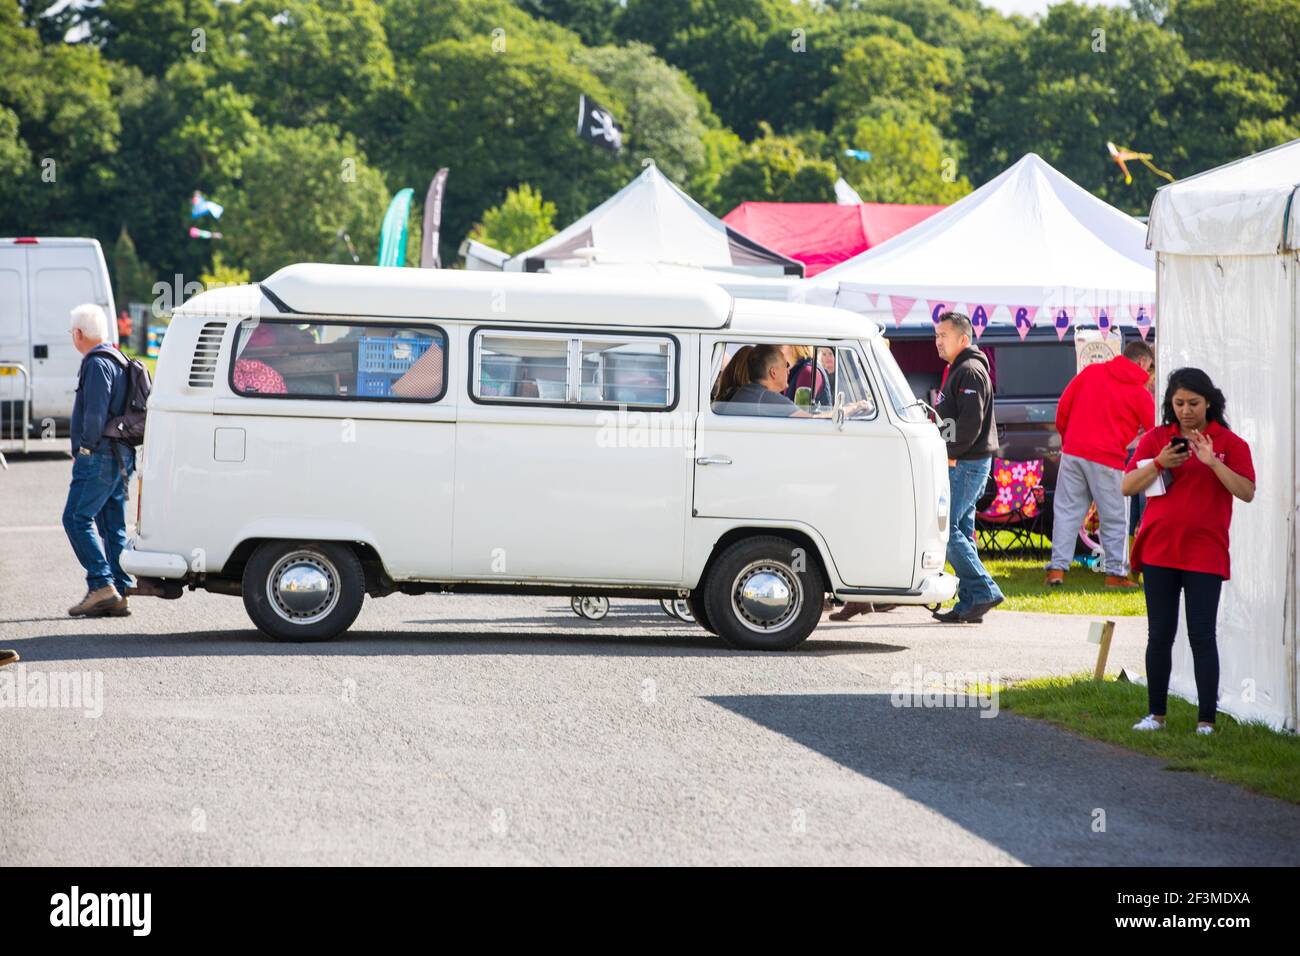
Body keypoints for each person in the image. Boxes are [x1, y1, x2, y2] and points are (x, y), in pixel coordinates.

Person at [1121, 368, 1254, 736]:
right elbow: (1127, 486)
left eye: (1193, 403)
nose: (1185, 410)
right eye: (1178, 403)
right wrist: (1161, 463)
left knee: (1201, 636)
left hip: (1204, 553)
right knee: (1159, 634)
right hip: (1159, 551)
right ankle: (1156, 715)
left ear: (1209, 401)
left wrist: (1213, 463)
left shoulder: (1230, 443)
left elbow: (1246, 491)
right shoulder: (1156, 440)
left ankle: (1206, 721)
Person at [1046, 341, 1155, 588]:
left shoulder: (1091, 372)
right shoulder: (1140, 393)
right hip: (1108, 459)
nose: (1148, 375)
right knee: (1115, 517)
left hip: (1073, 451)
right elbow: (1154, 433)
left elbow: (1063, 407)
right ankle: (1115, 574)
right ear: (1141, 362)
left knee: (1066, 513)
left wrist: (1069, 439)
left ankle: (1056, 571)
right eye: (1149, 368)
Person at [63, 304, 135, 618]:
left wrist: (85, 449)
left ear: (78, 333)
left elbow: (95, 410)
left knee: (76, 518)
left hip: (100, 454)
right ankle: (119, 589)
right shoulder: (118, 359)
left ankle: (101, 584)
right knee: (112, 525)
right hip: (122, 453)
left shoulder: (95, 364)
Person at [932, 311, 1004, 624]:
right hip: (965, 461)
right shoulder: (960, 369)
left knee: (946, 531)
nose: (938, 342)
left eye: (943, 335)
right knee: (962, 531)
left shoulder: (971, 371)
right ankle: (969, 604)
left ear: (963, 338)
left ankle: (984, 590)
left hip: (966, 462)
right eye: (936, 336)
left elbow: (970, 423)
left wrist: (949, 451)